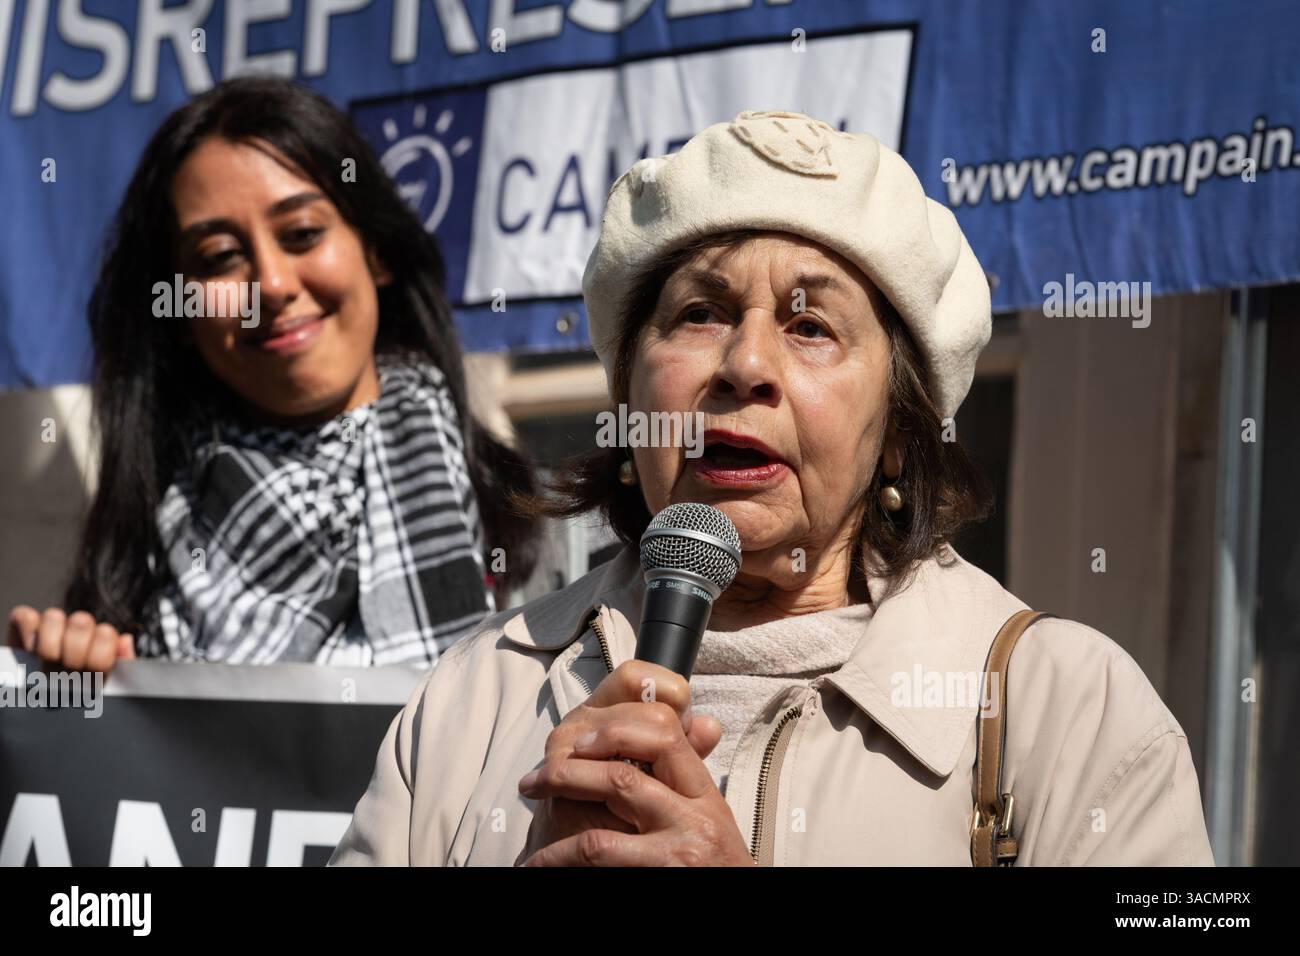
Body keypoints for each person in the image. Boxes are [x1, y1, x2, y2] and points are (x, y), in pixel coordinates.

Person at [330, 110, 1214, 865]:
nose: (745, 364)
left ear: (901, 432)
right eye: (700, 313)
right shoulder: (470, 701)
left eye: (811, 325)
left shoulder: (1071, 710)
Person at [6, 77, 537, 671]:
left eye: (303, 234)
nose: (274, 286)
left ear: (377, 251)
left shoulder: (541, 533)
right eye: (220, 258)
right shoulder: (134, 579)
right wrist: (71, 699)